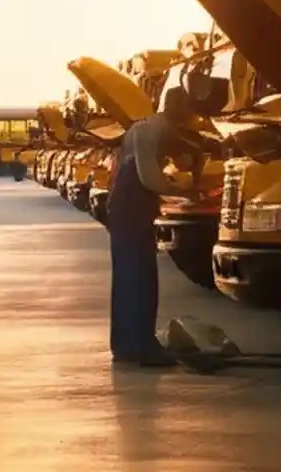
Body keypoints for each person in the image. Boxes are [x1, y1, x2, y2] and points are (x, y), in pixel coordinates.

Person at [106, 86, 197, 367]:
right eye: (189, 110)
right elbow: (149, 178)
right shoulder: (149, 132)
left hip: (130, 207)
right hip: (130, 207)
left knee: (129, 276)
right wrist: (184, 190)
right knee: (139, 277)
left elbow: (178, 153)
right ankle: (142, 347)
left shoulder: (152, 127)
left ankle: (125, 345)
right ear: (177, 108)